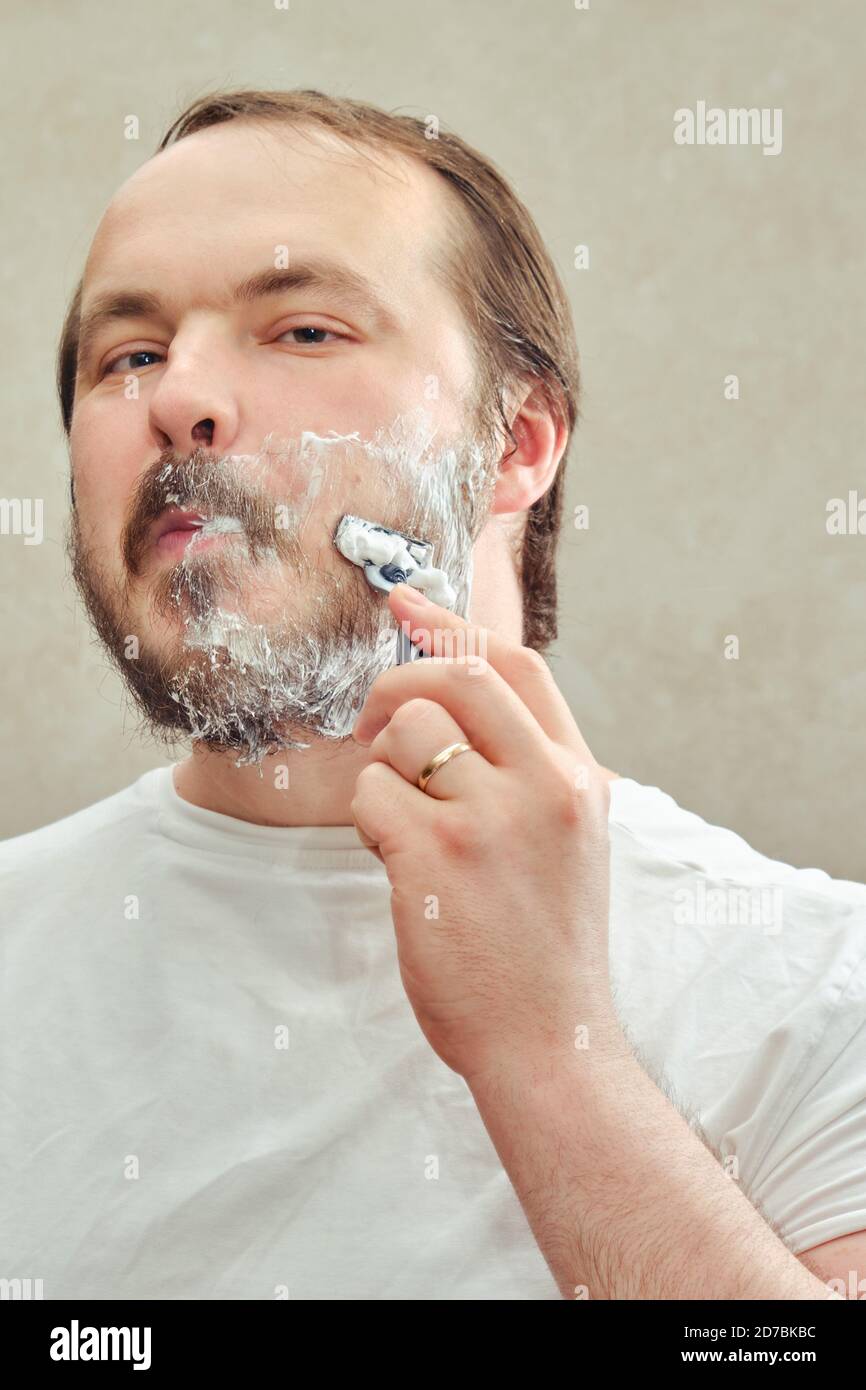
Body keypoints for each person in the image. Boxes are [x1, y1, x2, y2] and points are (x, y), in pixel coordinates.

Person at [2, 89, 864, 1301]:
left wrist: (544, 1051)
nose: (176, 398)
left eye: (301, 330)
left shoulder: (822, 993)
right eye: (128, 354)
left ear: (516, 441)